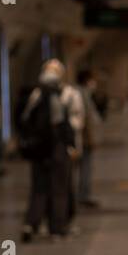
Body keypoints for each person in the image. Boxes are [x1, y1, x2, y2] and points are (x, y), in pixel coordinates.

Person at [18, 59, 80, 242]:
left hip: (39, 149)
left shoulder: (36, 94)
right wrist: (73, 146)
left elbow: (25, 119)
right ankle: (57, 227)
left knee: (38, 188)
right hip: (59, 149)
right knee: (60, 188)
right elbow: (74, 123)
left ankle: (31, 223)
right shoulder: (68, 94)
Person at [75, 68, 102, 209]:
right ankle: (83, 195)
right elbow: (87, 118)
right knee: (85, 167)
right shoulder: (83, 94)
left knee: (79, 168)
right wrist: (90, 138)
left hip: (78, 138)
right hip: (83, 139)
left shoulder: (76, 92)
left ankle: (80, 194)